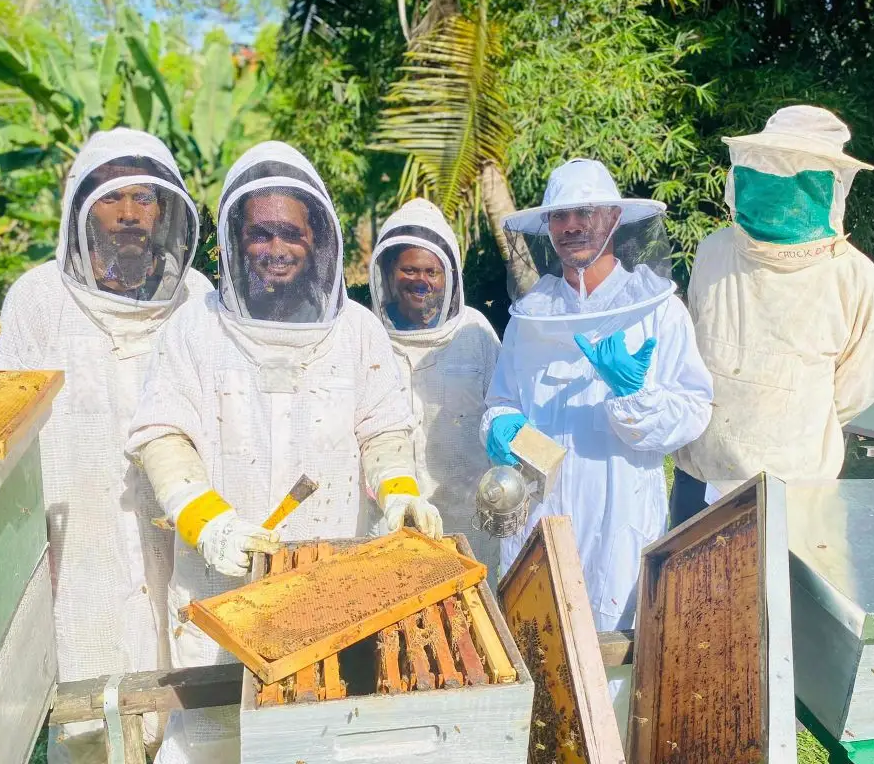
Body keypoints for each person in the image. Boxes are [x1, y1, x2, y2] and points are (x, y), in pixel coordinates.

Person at [125, 142, 440, 764]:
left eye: (290, 233)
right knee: (216, 742)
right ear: (234, 240)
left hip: (329, 581)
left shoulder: (357, 331)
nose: (275, 248)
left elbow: (383, 432)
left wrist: (400, 494)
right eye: (259, 233)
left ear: (317, 238)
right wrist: (207, 521)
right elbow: (161, 433)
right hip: (220, 584)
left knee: (321, 739)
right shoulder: (195, 327)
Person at [0, 128, 211, 762]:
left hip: (182, 536)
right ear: (81, 208)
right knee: (88, 724)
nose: (129, 213)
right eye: (112, 198)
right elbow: (14, 428)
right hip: (78, 544)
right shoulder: (38, 300)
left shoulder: (197, 299)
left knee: (192, 716)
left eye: (144, 198)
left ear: (164, 210)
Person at [482, 158, 713, 634]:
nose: (572, 226)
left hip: (620, 513)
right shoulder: (531, 317)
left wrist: (636, 394)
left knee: (616, 652)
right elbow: (502, 401)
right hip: (539, 513)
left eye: (585, 212)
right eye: (560, 216)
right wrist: (499, 425)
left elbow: (693, 412)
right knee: (537, 639)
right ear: (548, 227)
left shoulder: (658, 310)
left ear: (613, 218)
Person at [672, 105, 874, 524]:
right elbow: (695, 347)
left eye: (796, 175)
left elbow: (855, 388)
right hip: (702, 468)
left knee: (779, 570)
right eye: (770, 169)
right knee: (688, 568)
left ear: (829, 184)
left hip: (796, 484)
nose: (780, 185)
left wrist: (795, 414)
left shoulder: (856, 275)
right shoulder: (714, 251)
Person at [369, 199, 502, 585]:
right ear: (389, 272)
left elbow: (503, 406)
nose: (421, 281)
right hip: (391, 518)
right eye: (409, 269)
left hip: (468, 520)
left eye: (432, 271)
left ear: (449, 276)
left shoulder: (475, 333)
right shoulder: (367, 335)